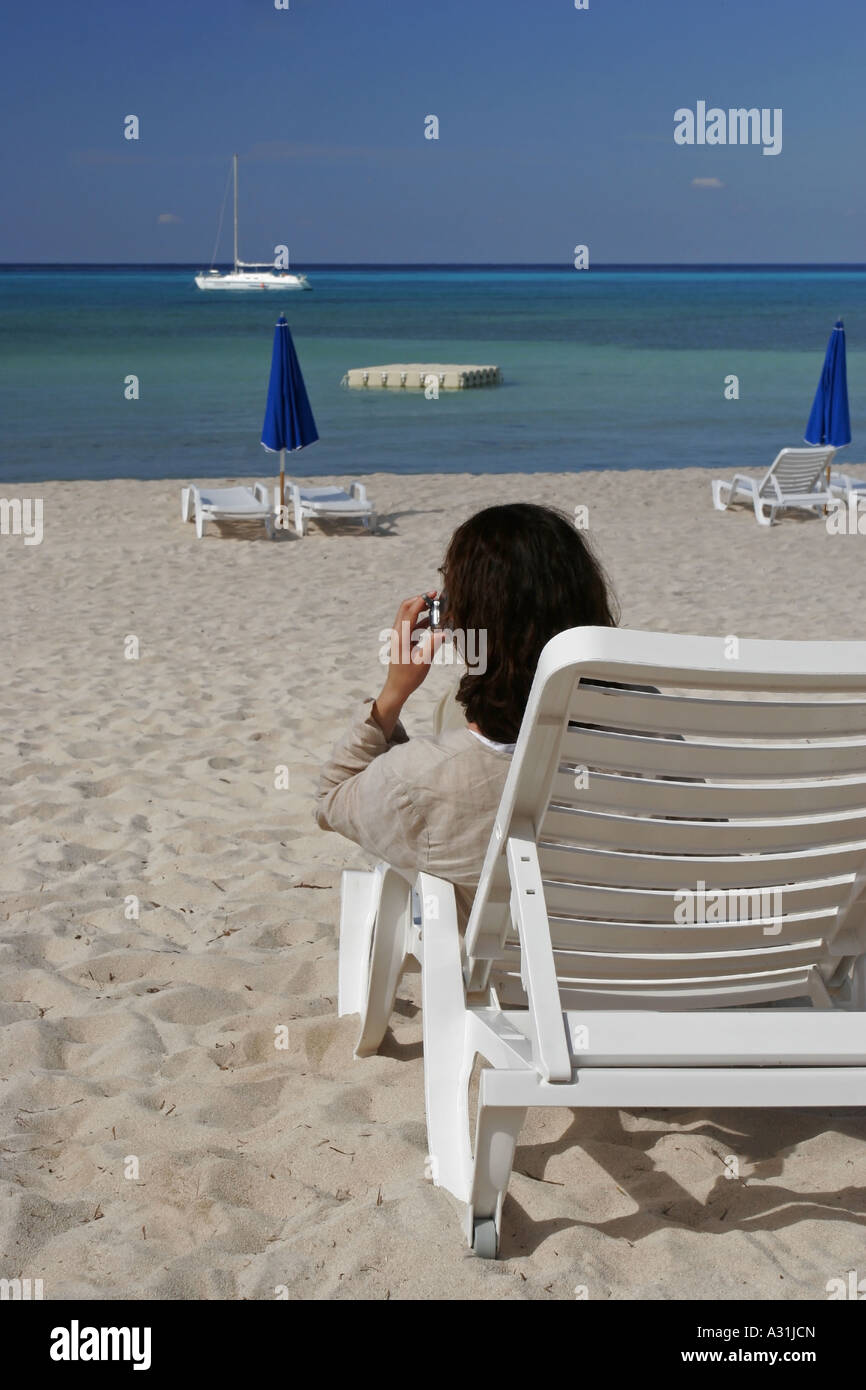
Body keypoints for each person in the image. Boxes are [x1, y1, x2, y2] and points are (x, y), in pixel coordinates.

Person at [315, 502, 618, 925]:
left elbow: (330, 799)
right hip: (652, 969)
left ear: (464, 621)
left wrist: (392, 695)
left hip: (521, 977)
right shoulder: (657, 737)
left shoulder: (422, 778)